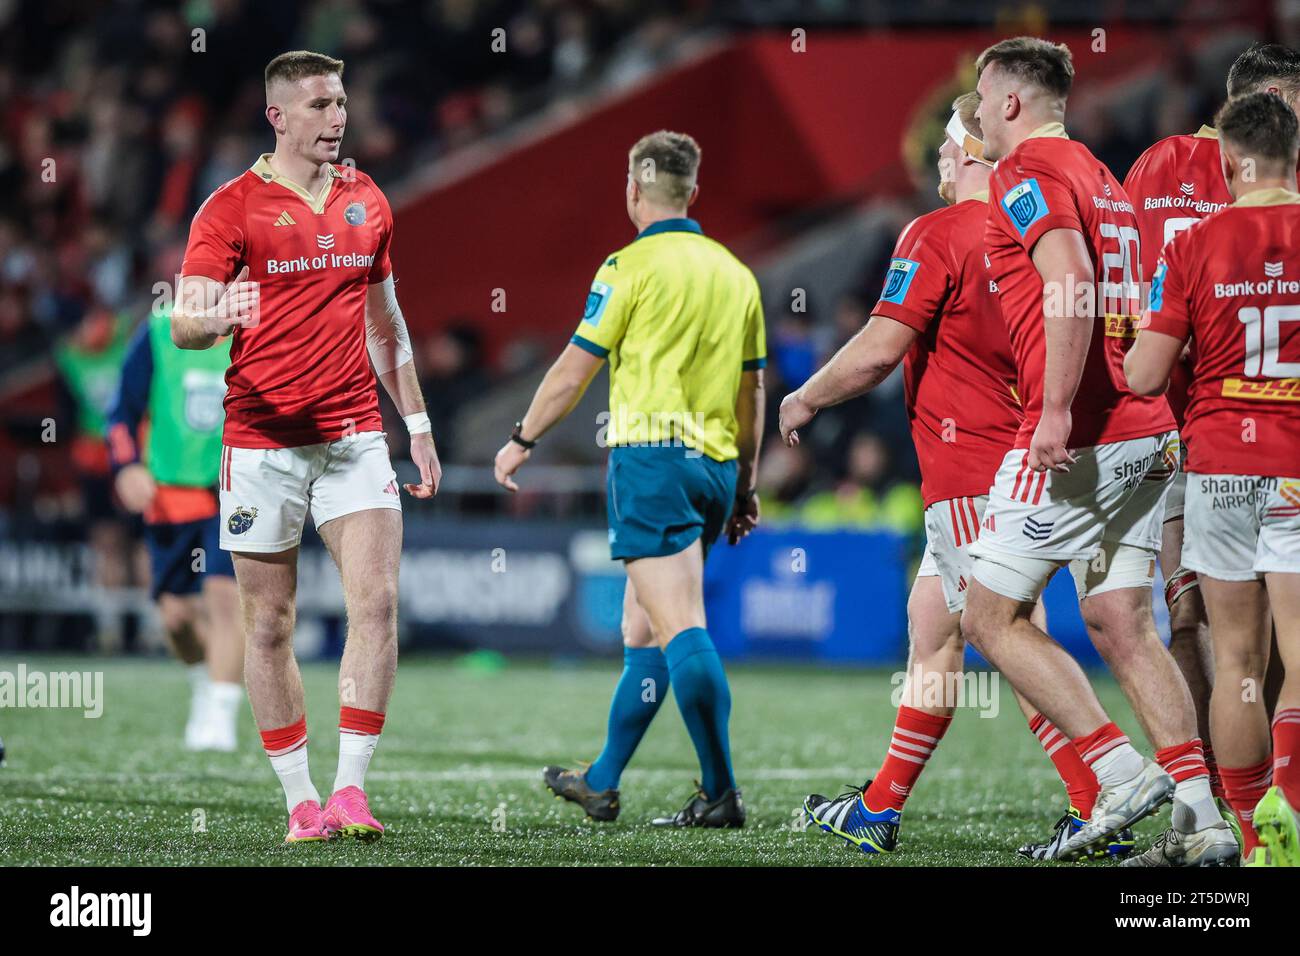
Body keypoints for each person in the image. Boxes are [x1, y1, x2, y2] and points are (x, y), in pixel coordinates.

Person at [780, 95, 1131, 859]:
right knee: (933, 633)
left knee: (1006, 636)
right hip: (1020, 460)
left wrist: (806, 395)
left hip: (976, 474)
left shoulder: (939, 231)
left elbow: (877, 350)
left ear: (970, 152)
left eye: (944, 144)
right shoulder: (1034, 231)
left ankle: (1103, 796)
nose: (934, 158)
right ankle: (879, 806)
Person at [962, 36, 1236, 865]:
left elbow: (1071, 278)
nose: (975, 115)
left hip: (1084, 434)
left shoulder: (1025, 175)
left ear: (1011, 101)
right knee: (1123, 622)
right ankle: (1205, 818)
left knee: (988, 617)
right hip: (1149, 430)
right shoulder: (1103, 178)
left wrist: (1051, 411)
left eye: (981, 99)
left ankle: (1119, 772)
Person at [171, 50, 441, 844]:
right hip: (262, 444)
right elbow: (185, 320)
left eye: (341, 103)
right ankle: (301, 801)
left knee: (379, 603)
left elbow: (385, 328)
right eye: (320, 105)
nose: (337, 118)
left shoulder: (369, 200)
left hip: (355, 435)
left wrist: (417, 427)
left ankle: (351, 791)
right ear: (278, 116)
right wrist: (223, 314)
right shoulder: (229, 209)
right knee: (268, 626)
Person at [494, 130, 765, 827]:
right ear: (693, 193)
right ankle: (603, 779)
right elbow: (751, 394)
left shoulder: (627, 266)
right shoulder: (737, 273)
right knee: (642, 629)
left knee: (680, 627)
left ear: (633, 191)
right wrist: (745, 482)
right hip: (714, 465)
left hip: (651, 461)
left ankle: (720, 793)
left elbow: (573, 371)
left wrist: (523, 438)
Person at [1121, 42, 1300, 831]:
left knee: (1236, 660)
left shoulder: (1195, 241)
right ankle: (1277, 814)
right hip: (1286, 460)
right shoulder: (1166, 173)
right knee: (1285, 655)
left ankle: (1247, 825)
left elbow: (1143, 368)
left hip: (1215, 457)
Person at [107, 307, 244, 751]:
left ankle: (223, 714)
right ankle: (204, 683)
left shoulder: (257, 327)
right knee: (176, 616)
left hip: (235, 487)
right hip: (171, 493)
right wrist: (126, 466)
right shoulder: (159, 331)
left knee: (226, 598)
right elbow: (120, 412)